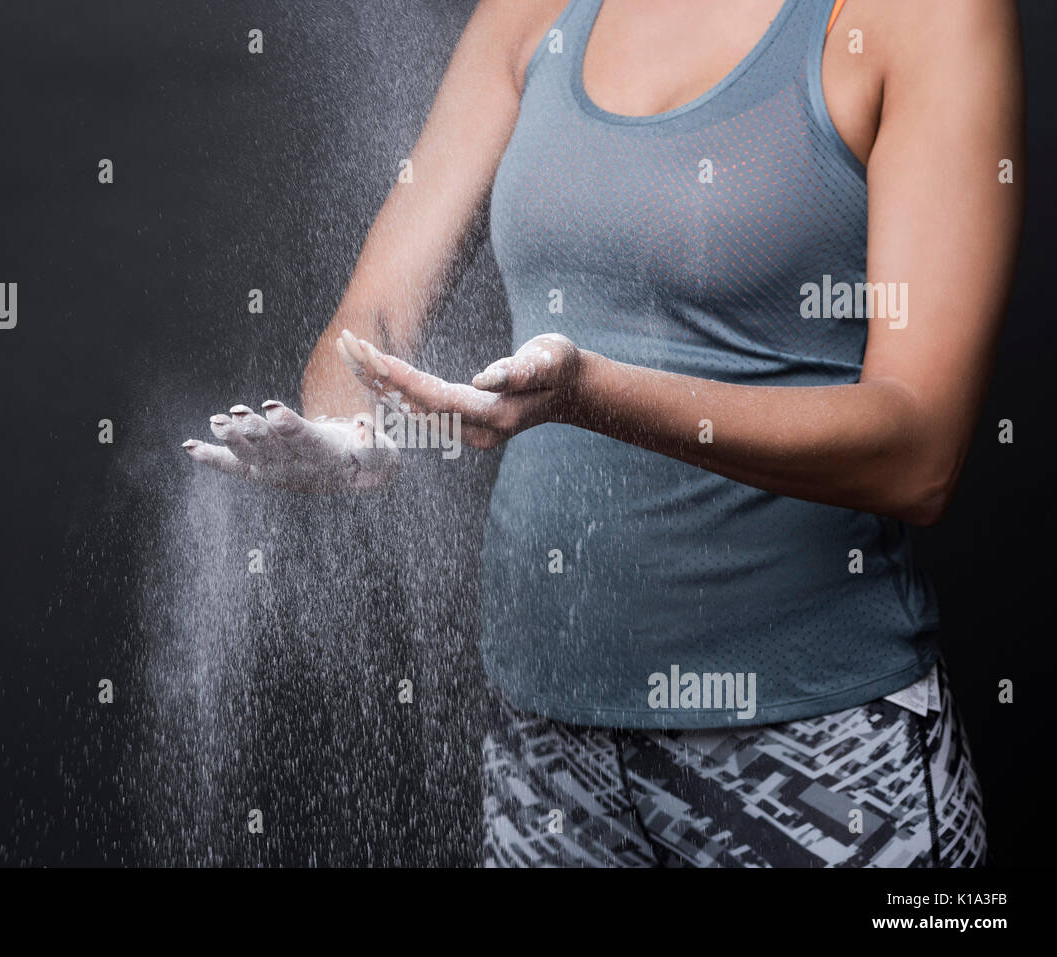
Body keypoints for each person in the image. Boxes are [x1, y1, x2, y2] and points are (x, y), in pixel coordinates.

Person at [183, 0, 1023, 866]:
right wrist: (343, 432)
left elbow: (922, 455)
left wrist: (590, 394)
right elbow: (378, 315)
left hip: (815, 753)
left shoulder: (921, 16)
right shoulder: (531, 13)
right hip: (545, 752)